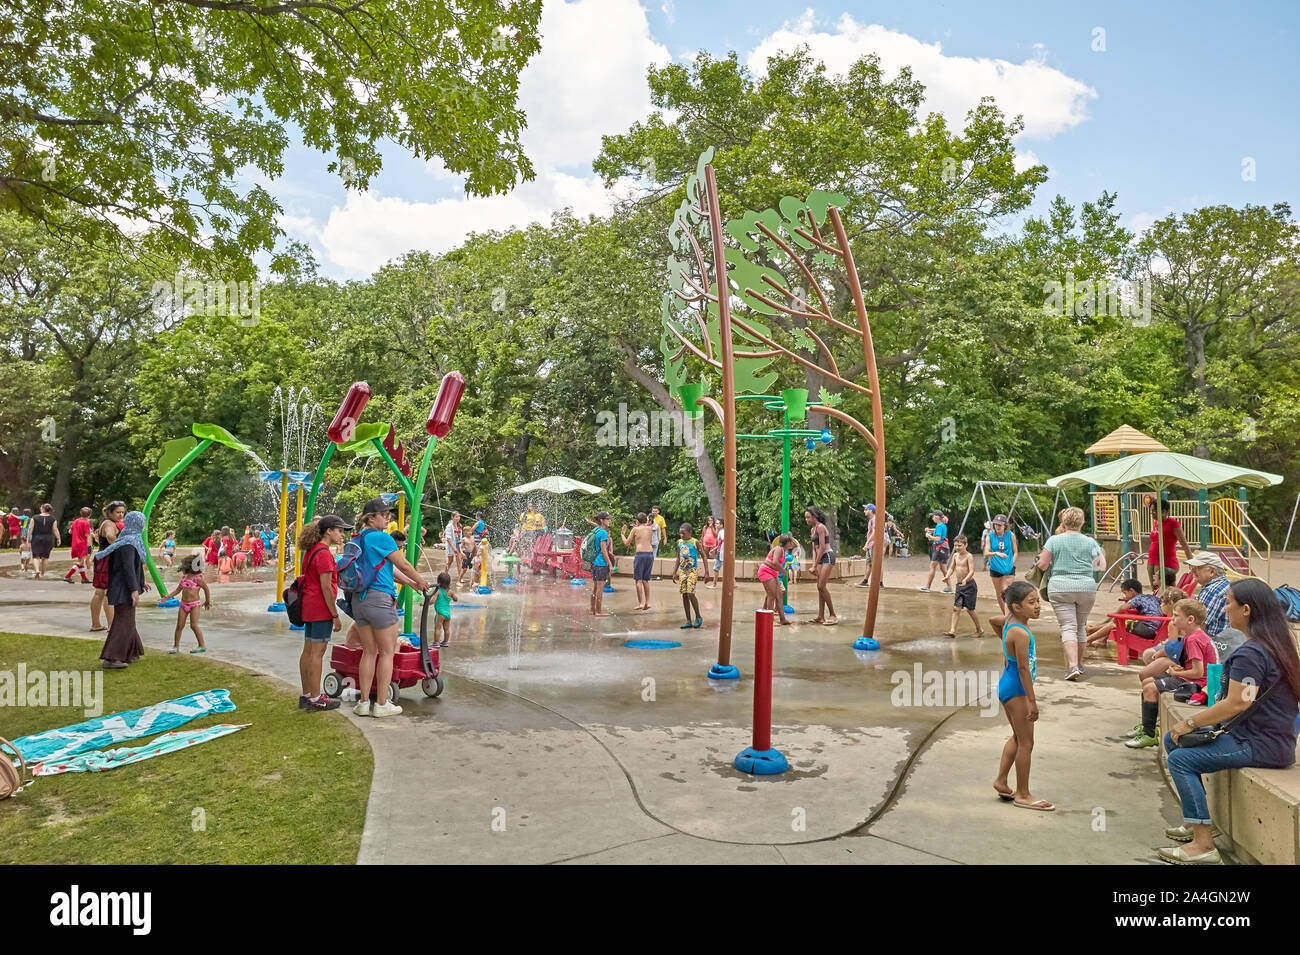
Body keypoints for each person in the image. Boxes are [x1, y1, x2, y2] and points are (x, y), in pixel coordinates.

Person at [1157, 578, 1300, 864]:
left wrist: (1191, 722)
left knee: (1181, 760)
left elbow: (1239, 701)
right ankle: (1193, 820)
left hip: (1260, 744)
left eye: (1228, 602)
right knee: (1172, 742)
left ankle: (1203, 844)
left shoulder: (1252, 653)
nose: (1224, 608)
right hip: (1268, 738)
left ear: (1246, 609)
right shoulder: (1274, 644)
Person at [349, 498, 430, 718]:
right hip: (380, 600)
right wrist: (420, 579)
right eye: (384, 515)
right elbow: (403, 563)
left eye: (388, 514)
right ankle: (382, 703)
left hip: (360, 600)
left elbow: (387, 569)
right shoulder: (382, 538)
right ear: (371, 518)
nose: (388, 518)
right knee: (386, 652)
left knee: (369, 652)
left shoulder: (359, 538)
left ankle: (364, 703)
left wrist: (412, 583)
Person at [990, 580, 1052, 811]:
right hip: (1017, 690)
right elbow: (1024, 669)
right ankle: (1023, 794)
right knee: (1027, 742)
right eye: (1031, 602)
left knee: (1017, 737)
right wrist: (1032, 702)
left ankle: (1001, 781)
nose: (1037, 606)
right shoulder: (1021, 634)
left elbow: (993, 621)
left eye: (1038, 601)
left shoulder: (1009, 623)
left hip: (1007, 685)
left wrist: (1006, 645)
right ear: (1016, 607)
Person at [1126, 598, 1217, 749]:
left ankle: (1149, 734)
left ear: (1190, 619)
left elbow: (1198, 672)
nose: (1172, 619)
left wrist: (1175, 672)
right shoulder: (1194, 636)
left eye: (1176, 616)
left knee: (1150, 688)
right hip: (1190, 677)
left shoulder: (1194, 639)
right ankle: (1146, 725)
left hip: (1197, 684)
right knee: (1147, 682)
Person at [1035, 505, 1103, 681]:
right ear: (1082, 522)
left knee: (1068, 627)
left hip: (1060, 587)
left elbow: (1042, 564)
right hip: (1086, 588)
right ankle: (1079, 664)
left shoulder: (1054, 541)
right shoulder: (1090, 542)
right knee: (1080, 627)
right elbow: (1100, 565)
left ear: (1064, 522)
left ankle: (1072, 666)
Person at [295, 515, 346, 711]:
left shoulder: (311, 551)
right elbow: (326, 588)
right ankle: (316, 699)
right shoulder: (324, 553)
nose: (342, 534)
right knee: (317, 653)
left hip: (309, 606)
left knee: (308, 651)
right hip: (320, 608)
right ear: (328, 531)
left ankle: (307, 694)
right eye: (339, 530)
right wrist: (335, 615)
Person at [96, 510, 148, 669]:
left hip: (123, 586)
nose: (144, 525)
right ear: (137, 523)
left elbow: (134, 567)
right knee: (123, 622)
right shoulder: (128, 543)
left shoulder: (129, 540)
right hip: (123, 588)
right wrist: (133, 589)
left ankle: (132, 652)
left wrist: (141, 583)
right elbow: (127, 569)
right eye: (142, 522)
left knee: (127, 620)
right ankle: (112, 658)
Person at [1185, 551, 1245, 660]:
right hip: (1225, 645)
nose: (1192, 571)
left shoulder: (1212, 591)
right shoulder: (1225, 586)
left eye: (1198, 567)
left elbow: (1198, 625)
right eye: (1192, 567)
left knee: (1151, 654)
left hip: (1212, 647)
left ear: (1212, 572)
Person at [1085, 578, 1162, 648]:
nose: (1125, 596)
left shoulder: (1137, 598)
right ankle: (1098, 636)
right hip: (1154, 628)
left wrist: (1113, 618)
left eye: (1125, 593)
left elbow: (1123, 608)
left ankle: (1089, 637)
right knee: (1120, 621)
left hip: (1146, 628)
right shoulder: (1151, 597)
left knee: (1115, 624)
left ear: (1131, 591)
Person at [164, 554, 211, 655]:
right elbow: (178, 590)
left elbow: (206, 589)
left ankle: (201, 645)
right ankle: (176, 647)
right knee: (179, 626)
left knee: (194, 625)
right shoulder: (184, 578)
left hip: (195, 605)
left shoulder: (198, 579)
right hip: (183, 605)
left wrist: (207, 601)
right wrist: (168, 597)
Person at [90, 501, 126, 632]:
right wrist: (121, 547)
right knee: (107, 593)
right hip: (108, 560)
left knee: (99, 592)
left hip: (102, 559)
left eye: (122, 512)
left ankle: (96, 624)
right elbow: (110, 536)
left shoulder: (105, 522)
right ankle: (112, 625)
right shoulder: (109, 524)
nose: (121, 514)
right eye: (118, 512)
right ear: (110, 512)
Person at [1145, 495, 1192, 590]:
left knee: (1165, 590)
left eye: (1155, 511)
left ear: (1164, 511)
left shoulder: (1173, 524)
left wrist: (1192, 561)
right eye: (1151, 511)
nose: (1152, 514)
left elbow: (1184, 544)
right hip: (1152, 559)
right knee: (1155, 590)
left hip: (1166, 560)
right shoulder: (1156, 523)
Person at [944, 535, 985, 637]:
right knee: (956, 608)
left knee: (970, 609)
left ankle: (979, 629)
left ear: (966, 545)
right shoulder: (955, 556)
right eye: (955, 546)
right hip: (959, 585)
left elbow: (972, 571)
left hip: (969, 585)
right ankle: (952, 631)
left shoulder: (969, 556)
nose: (957, 548)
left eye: (960, 546)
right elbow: (951, 568)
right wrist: (947, 576)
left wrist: (966, 580)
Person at [804, 505, 837, 625]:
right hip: (819, 558)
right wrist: (814, 565)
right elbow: (814, 549)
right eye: (805, 518)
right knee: (819, 587)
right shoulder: (812, 530)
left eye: (808, 517)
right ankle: (820, 616)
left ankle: (833, 614)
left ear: (814, 517)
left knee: (822, 586)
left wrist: (815, 564)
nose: (806, 520)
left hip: (827, 556)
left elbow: (822, 547)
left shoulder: (821, 528)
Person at [983, 514, 1018, 615]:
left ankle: (1010, 616)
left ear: (1005, 525)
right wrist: (996, 553)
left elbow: (1015, 552)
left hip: (1008, 568)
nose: (998, 526)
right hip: (995, 568)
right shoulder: (990, 537)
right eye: (996, 524)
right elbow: (986, 553)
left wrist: (1011, 563)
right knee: (999, 595)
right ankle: (1006, 616)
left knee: (1007, 593)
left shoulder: (1010, 535)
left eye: (1000, 525)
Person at [621, 513, 655, 611]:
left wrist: (622, 534)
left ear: (637, 521)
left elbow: (627, 543)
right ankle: (648, 602)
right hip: (650, 555)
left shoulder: (635, 529)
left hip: (640, 555)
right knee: (645, 580)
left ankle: (640, 603)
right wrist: (638, 525)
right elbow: (645, 527)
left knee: (638, 580)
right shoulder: (650, 528)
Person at [758, 534, 794, 625]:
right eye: (791, 541)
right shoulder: (778, 549)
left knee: (779, 595)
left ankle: (782, 619)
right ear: (787, 542)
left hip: (772, 573)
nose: (793, 543)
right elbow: (774, 562)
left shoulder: (782, 550)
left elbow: (772, 563)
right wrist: (783, 571)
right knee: (771, 595)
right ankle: (770, 620)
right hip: (766, 572)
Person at [672, 522, 702, 629]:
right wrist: (674, 572)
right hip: (682, 571)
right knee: (684, 594)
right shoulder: (679, 542)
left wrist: (707, 572)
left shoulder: (695, 542)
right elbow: (678, 558)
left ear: (689, 533)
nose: (681, 535)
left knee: (690, 593)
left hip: (692, 570)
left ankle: (698, 617)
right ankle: (688, 620)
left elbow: (703, 555)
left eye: (683, 533)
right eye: (680, 533)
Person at [918, 509, 952, 593]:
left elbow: (938, 538)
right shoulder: (942, 525)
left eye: (933, 516)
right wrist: (929, 529)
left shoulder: (940, 526)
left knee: (933, 566)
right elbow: (937, 531)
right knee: (943, 568)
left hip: (939, 549)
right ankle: (949, 588)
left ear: (936, 517)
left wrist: (929, 536)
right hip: (943, 549)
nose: (932, 518)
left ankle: (927, 587)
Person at [24, 503, 59, 578]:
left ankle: (37, 570)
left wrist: (28, 538)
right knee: (45, 557)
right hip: (48, 539)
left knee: (36, 556)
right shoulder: (53, 519)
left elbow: (30, 528)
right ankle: (43, 573)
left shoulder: (35, 517)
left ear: (43, 509)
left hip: (36, 538)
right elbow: (55, 530)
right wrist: (58, 538)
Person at [588, 511, 613, 618]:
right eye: (607, 519)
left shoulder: (596, 530)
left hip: (594, 562)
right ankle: (598, 611)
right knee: (600, 589)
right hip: (601, 563)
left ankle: (592, 609)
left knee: (595, 588)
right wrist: (610, 564)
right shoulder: (603, 532)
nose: (609, 520)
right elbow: (604, 551)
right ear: (602, 520)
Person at [64, 506, 93, 584]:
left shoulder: (76, 521)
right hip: (82, 544)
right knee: (80, 562)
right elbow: (87, 534)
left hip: (75, 544)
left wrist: (77, 532)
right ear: (89, 515)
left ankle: (84, 579)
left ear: (81, 513)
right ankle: (67, 576)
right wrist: (92, 534)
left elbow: (70, 531)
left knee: (81, 561)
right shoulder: (86, 523)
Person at [433, 571, 457, 647]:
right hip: (447, 614)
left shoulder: (438, 591)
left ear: (438, 582)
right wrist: (453, 597)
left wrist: (424, 603)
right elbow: (456, 599)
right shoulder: (450, 592)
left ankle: (436, 643)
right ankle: (445, 642)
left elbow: (432, 600)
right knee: (446, 629)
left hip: (440, 613)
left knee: (438, 628)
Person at [442, 511, 462, 576]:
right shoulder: (449, 526)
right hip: (452, 545)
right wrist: (454, 548)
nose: (458, 518)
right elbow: (448, 538)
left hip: (458, 543)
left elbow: (460, 536)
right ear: (452, 517)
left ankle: (460, 577)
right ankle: (445, 574)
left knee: (459, 560)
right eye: (456, 517)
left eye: (459, 516)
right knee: (450, 561)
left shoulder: (459, 525)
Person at [650, 505, 667, 579]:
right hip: (648, 539)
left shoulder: (661, 518)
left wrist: (665, 538)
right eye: (653, 511)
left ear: (658, 511)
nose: (654, 512)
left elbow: (663, 528)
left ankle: (652, 569)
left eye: (656, 511)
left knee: (654, 555)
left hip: (657, 538)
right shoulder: (649, 517)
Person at [700, 516, 718, 588]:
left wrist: (712, 527)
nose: (710, 522)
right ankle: (706, 572)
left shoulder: (715, 527)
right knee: (705, 556)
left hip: (713, 544)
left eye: (711, 520)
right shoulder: (705, 527)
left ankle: (712, 572)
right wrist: (701, 543)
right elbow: (702, 536)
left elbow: (715, 535)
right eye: (709, 521)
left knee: (712, 557)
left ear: (713, 521)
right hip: (705, 543)